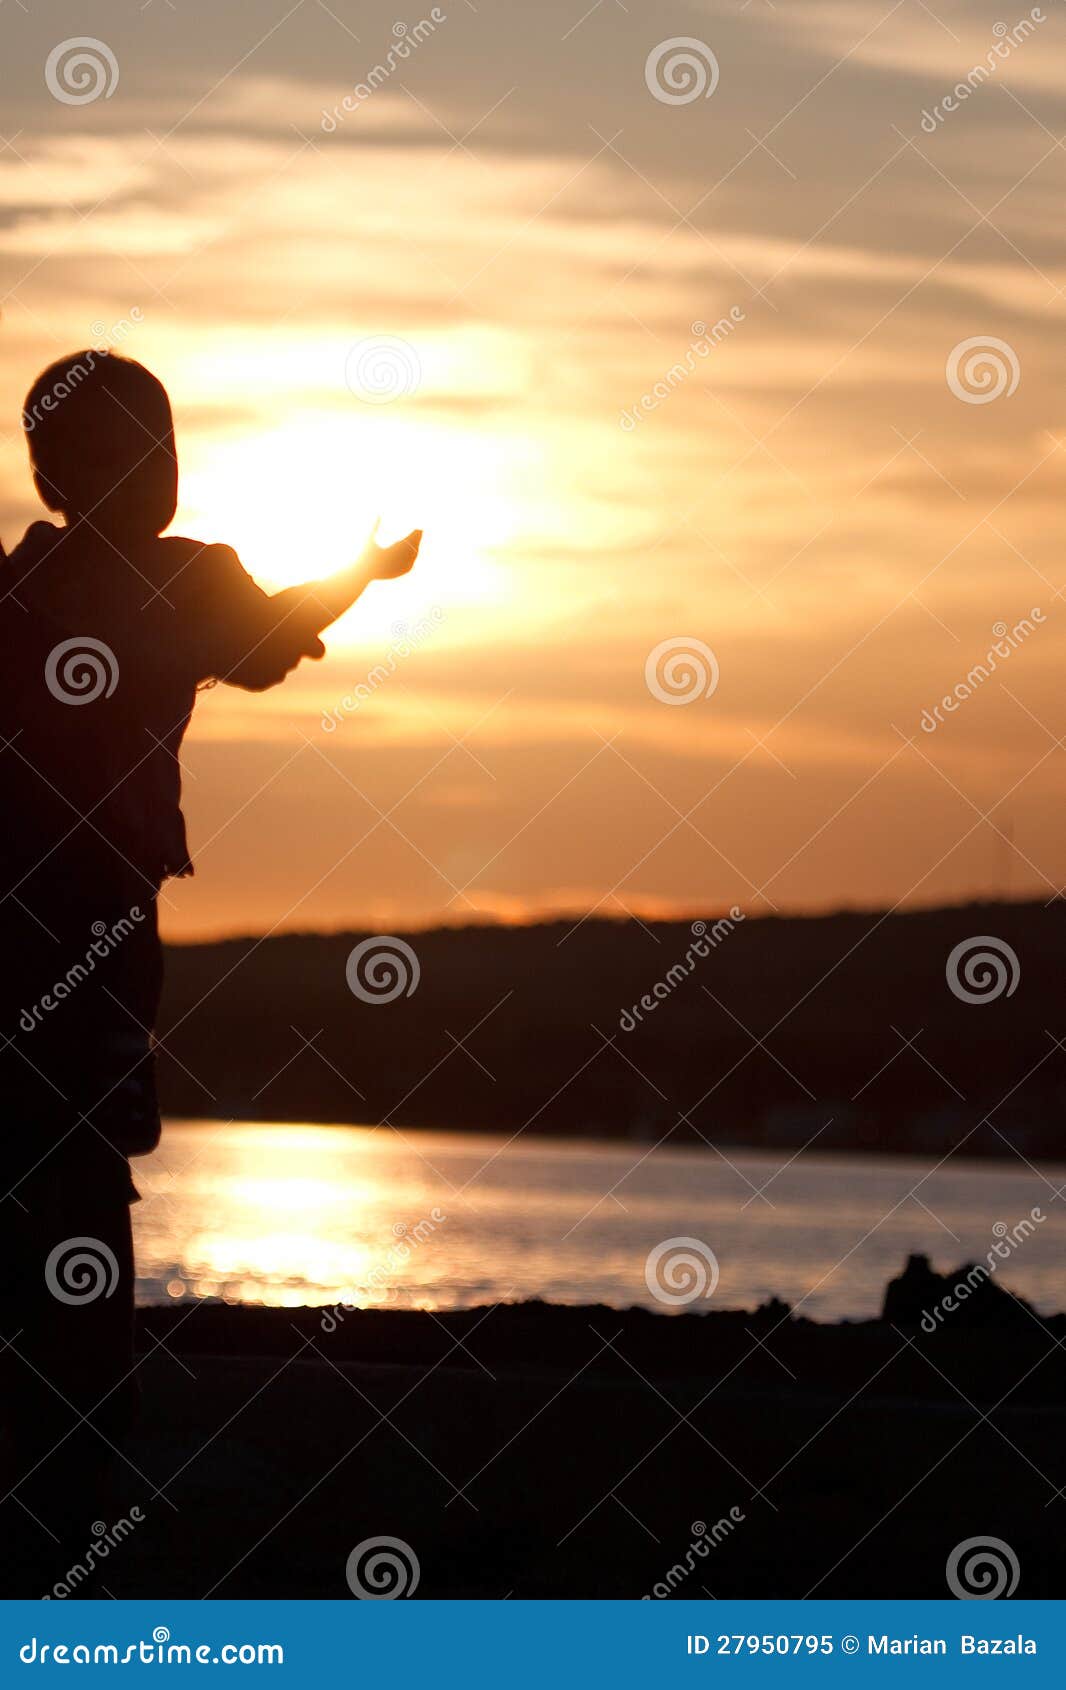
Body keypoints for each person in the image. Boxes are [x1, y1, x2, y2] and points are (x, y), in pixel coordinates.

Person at [0, 350, 421, 1589]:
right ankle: (64, 1516)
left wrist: (346, 579)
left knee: (54, 1188)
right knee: (77, 1194)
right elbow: (270, 634)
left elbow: (261, 637)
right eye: (148, 450)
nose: (164, 474)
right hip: (87, 948)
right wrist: (360, 575)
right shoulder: (180, 582)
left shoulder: (24, 587)